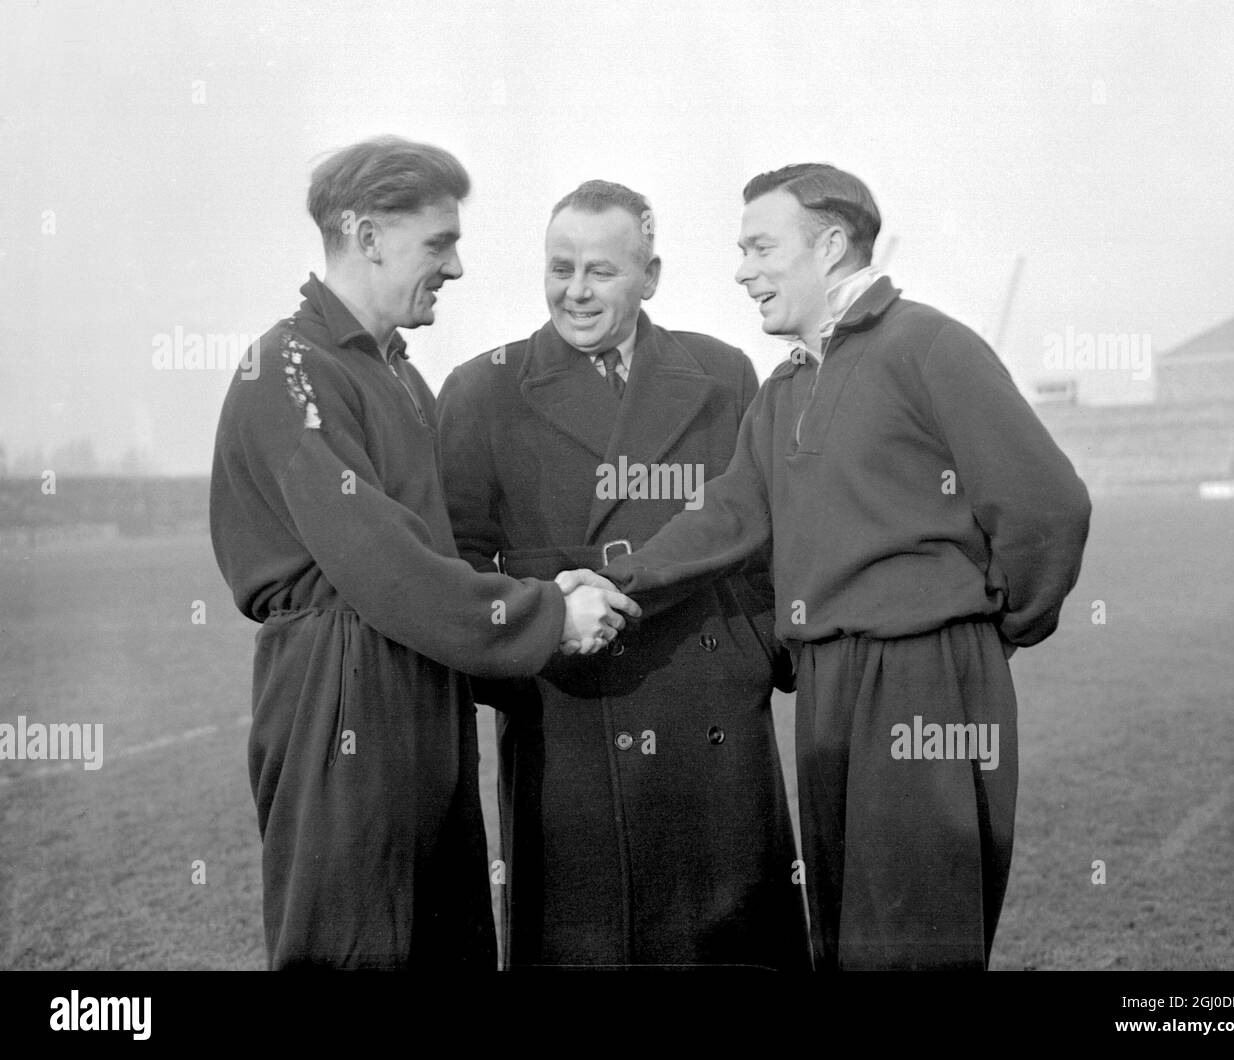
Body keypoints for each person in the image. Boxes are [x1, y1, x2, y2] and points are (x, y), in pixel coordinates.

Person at [595, 163, 1092, 970]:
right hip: (828, 678)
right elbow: (728, 512)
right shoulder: (785, 385)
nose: (741, 270)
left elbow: (1048, 505)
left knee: (914, 933)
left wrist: (984, 629)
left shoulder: (929, 343)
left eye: (760, 247)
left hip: (925, 672)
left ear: (829, 246)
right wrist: (618, 581)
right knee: (843, 934)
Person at [208, 138, 638, 970]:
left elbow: (437, 557)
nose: (457, 267)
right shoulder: (288, 367)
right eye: (439, 244)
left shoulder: (398, 375)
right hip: (341, 687)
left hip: (418, 681)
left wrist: (542, 589)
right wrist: (549, 612)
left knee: (444, 944)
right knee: (356, 943)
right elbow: (385, 565)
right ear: (367, 236)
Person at [436, 180, 810, 970]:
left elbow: (769, 540)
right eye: (559, 267)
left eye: (600, 271)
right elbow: (457, 576)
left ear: (651, 276)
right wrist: (539, 655)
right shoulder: (481, 391)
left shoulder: (723, 374)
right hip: (569, 735)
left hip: (715, 727)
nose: (574, 291)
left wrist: (750, 658)